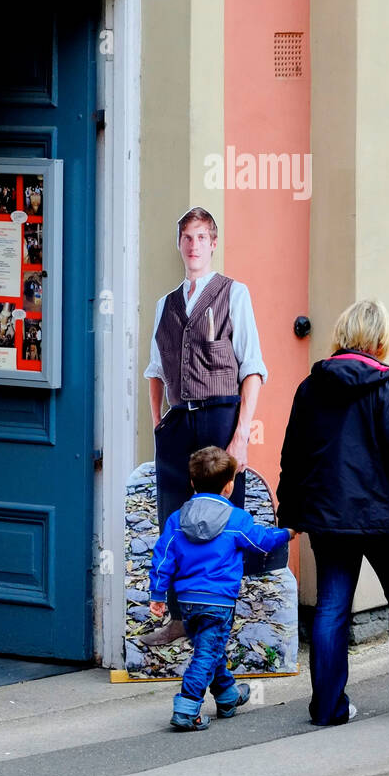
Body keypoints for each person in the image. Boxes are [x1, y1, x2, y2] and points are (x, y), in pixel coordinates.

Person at [276, 298, 389, 725]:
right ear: (380, 339)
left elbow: (292, 456)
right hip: (383, 520)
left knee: (332, 606)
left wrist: (291, 512)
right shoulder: (387, 388)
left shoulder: (309, 387)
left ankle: (328, 707)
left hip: (327, 518)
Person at [142, 206, 269, 643]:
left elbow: (252, 368)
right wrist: (157, 422)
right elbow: (155, 369)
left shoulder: (235, 293)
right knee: (173, 515)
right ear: (180, 244)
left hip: (220, 415)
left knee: (224, 518)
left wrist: (241, 435)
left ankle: (225, 616)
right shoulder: (165, 304)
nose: (194, 246)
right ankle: (178, 618)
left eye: (202, 237)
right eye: (187, 238)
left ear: (213, 243)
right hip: (178, 421)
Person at [149, 446, 296, 731]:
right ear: (229, 486)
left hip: (188, 604)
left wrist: (157, 594)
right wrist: (287, 533)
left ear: (192, 483)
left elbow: (163, 556)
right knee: (205, 654)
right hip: (218, 603)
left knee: (210, 647)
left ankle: (228, 696)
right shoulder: (236, 521)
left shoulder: (177, 520)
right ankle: (187, 707)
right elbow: (261, 541)